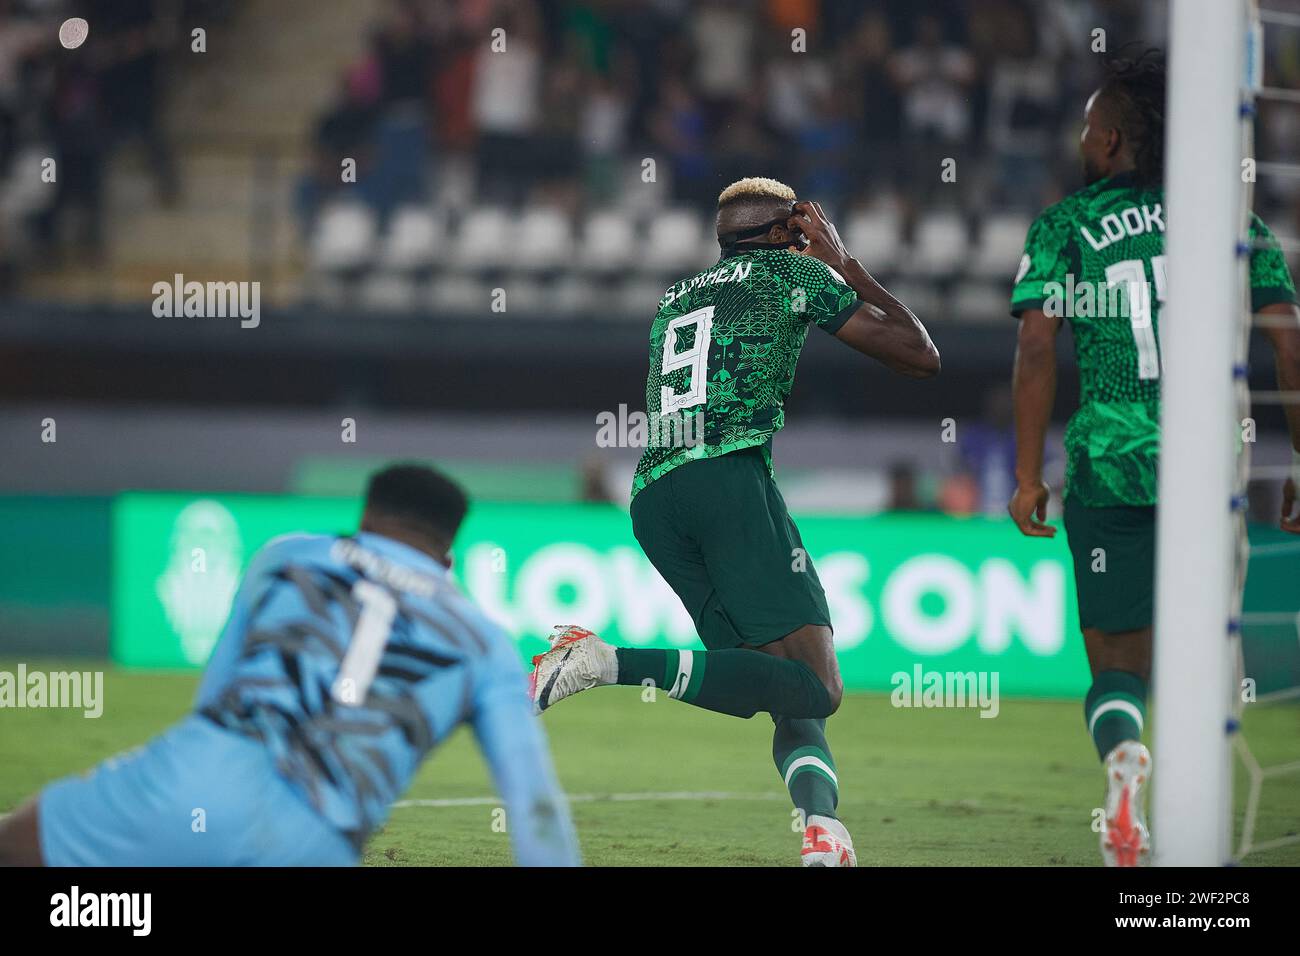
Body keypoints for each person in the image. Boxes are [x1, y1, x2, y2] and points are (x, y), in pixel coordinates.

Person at [529, 176, 939, 866]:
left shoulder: (675, 297)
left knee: (775, 687)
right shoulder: (791, 270)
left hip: (657, 496)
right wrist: (843, 263)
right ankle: (602, 662)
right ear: (787, 232)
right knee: (819, 688)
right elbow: (920, 355)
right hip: (730, 481)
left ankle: (823, 833)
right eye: (800, 225)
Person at [1007, 49, 1300, 866]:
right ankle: (1203, 816)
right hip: (1210, 464)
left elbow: (1036, 348)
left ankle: (1125, 769)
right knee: (1203, 654)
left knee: (1117, 663)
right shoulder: (1236, 224)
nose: (1081, 134)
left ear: (1110, 142)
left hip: (1109, 462)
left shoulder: (1063, 227)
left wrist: (1029, 474)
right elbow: (1290, 350)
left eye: (1090, 124)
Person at [0, 464, 580, 866]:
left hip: (203, 776)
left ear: (365, 521)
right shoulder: (484, 643)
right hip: (322, 838)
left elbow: (214, 695)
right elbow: (534, 802)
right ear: (448, 559)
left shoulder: (288, 553)